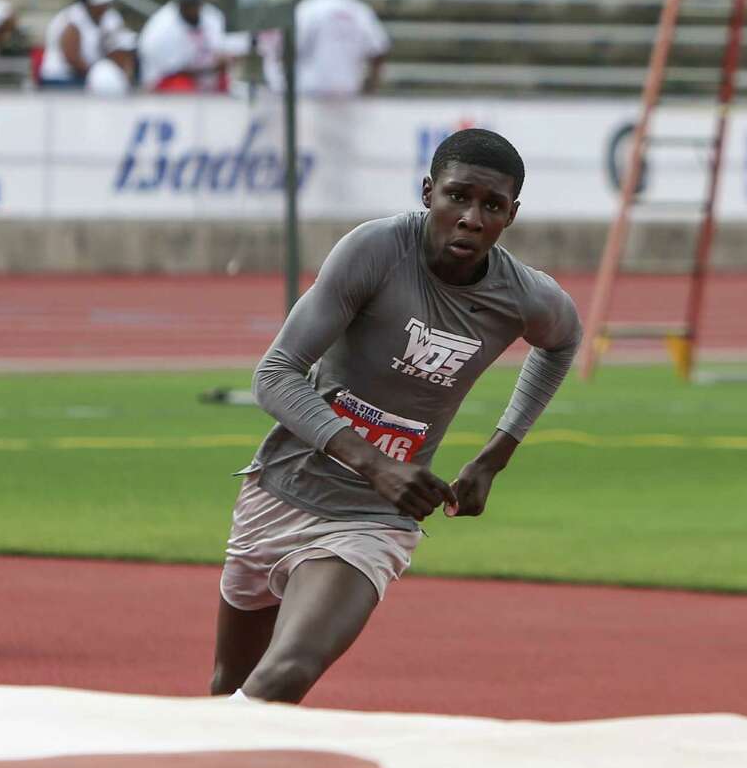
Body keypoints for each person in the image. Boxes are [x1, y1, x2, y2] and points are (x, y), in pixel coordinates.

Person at [211, 128, 581, 705]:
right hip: (280, 489)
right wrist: (379, 464)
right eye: (458, 196)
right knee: (228, 688)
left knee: (284, 676)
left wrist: (495, 455)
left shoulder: (523, 296)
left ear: (511, 215)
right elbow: (275, 375)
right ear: (428, 191)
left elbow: (561, 343)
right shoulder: (377, 251)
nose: (471, 218)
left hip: (372, 521)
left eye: (493, 206)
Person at [138, 0, 231, 93]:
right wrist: (210, 69)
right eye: (188, 6)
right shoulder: (162, 28)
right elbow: (174, 70)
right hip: (168, 79)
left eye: (195, 5)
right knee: (182, 87)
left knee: (224, 80)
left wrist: (221, 60)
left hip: (205, 72)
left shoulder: (211, 16)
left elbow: (218, 49)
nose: (193, 10)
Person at [38, 0, 125, 87]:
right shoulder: (72, 19)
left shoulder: (109, 18)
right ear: (91, 2)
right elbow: (72, 58)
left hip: (86, 77)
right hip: (61, 79)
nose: (107, 6)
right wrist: (98, 76)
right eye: (103, 2)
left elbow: (116, 49)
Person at [85, 28, 138, 96]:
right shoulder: (105, 74)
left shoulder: (111, 70)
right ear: (116, 53)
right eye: (128, 52)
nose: (132, 57)